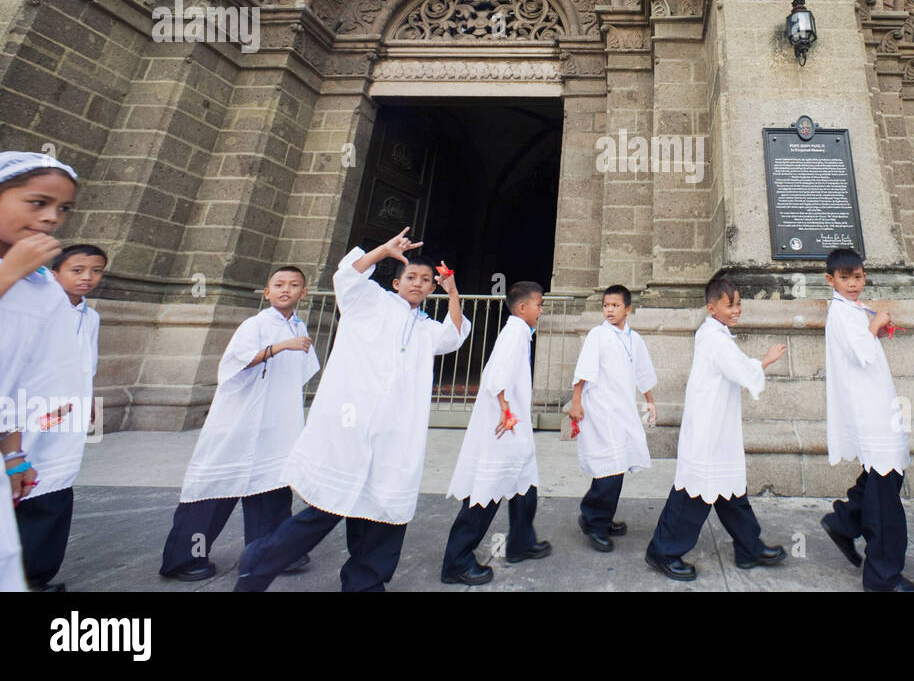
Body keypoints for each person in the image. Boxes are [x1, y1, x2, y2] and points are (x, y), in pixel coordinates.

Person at [235, 228, 469, 592]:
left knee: (384, 513)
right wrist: (383, 251)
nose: (418, 284)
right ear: (395, 282)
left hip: (395, 438)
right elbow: (347, 276)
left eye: (426, 280)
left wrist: (452, 291)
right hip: (349, 427)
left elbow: (453, 336)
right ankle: (260, 563)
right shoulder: (368, 303)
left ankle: (365, 585)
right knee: (327, 507)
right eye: (411, 277)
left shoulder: (426, 329)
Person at [159, 266, 319, 581]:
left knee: (270, 487)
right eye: (279, 284)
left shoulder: (298, 325)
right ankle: (185, 559)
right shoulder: (254, 324)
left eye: (294, 284)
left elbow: (302, 373)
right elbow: (234, 363)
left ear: (304, 293)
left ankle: (270, 554)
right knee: (215, 489)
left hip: (274, 423)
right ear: (267, 292)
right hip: (239, 421)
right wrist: (278, 348)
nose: (286, 289)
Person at [644, 275, 787, 582]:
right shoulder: (713, 337)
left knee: (730, 487)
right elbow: (737, 369)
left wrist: (757, 363)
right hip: (708, 429)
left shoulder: (718, 335)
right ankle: (663, 550)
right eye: (729, 304)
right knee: (695, 491)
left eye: (738, 304)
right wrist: (765, 360)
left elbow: (733, 363)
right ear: (711, 308)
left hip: (718, 426)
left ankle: (749, 546)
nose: (736, 310)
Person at [819, 248, 914, 592]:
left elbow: (862, 346)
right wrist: (876, 323)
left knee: (886, 477)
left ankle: (844, 521)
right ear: (830, 280)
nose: (853, 284)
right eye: (846, 278)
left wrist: (875, 326)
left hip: (877, 401)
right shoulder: (842, 313)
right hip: (867, 409)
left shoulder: (853, 311)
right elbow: (860, 352)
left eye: (858, 277)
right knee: (885, 497)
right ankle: (884, 577)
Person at [0, 151, 80, 592]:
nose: (52, 218)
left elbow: (15, 374)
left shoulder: (41, 284)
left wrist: (14, 453)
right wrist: (11, 270)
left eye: (63, 209)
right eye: (37, 203)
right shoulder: (18, 272)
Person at [441, 281, 551, 585]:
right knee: (486, 493)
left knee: (524, 481)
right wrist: (505, 408)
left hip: (514, 424)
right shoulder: (514, 333)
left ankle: (520, 542)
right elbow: (497, 375)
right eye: (539, 304)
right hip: (504, 426)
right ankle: (456, 561)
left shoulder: (520, 333)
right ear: (522, 307)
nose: (542, 310)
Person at [15, 244, 106, 591]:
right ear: (55, 274)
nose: (87, 278)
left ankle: (35, 575)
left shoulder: (91, 316)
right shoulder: (38, 311)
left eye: (96, 271)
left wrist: (90, 397)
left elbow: (87, 362)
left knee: (56, 485)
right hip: (33, 410)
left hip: (69, 414)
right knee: (24, 481)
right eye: (77, 269)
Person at [569, 284, 657, 552]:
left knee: (618, 466)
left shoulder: (634, 339)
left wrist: (650, 401)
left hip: (623, 410)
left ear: (628, 309)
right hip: (600, 410)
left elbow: (643, 371)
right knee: (608, 466)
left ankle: (601, 517)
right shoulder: (598, 335)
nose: (609, 310)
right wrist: (575, 402)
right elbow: (583, 370)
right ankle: (593, 521)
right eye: (606, 305)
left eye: (615, 305)